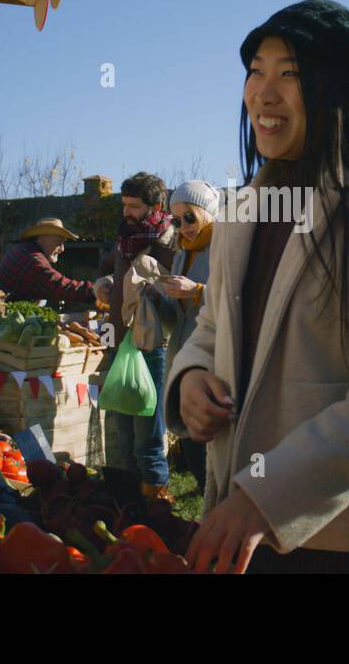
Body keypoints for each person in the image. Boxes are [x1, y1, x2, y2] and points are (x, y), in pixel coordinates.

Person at [165, 0, 349, 574]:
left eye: (291, 74)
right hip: (243, 534)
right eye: (256, 70)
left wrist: (265, 497)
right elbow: (212, 326)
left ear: (338, 91)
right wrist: (192, 377)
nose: (263, 93)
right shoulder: (240, 212)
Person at [100, 173, 176, 502]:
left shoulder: (168, 241)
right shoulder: (124, 240)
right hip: (120, 343)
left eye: (134, 206)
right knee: (122, 435)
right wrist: (103, 283)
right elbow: (106, 269)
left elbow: (174, 294)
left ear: (155, 206)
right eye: (124, 206)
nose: (127, 212)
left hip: (151, 346)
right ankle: (128, 509)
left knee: (148, 438)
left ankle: (158, 512)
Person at [148, 180, 221, 495]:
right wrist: (151, 297)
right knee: (193, 449)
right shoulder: (181, 254)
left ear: (209, 212)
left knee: (214, 451)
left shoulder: (225, 248)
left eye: (190, 218)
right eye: (176, 221)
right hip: (183, 359)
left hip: (216, 362)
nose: (184, 227)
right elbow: (175, 320)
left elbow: (240, 301)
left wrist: (197, 291)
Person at [0, 218, 106, 308]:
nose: (62, 249)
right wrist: (97, 290)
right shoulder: (33, 260)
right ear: (42, 239)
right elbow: (61, 286)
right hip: (0, 319)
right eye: (59, 242)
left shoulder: (24, 250)